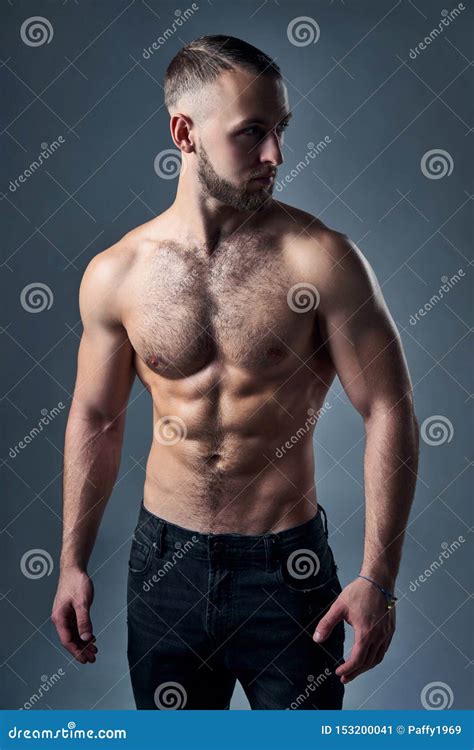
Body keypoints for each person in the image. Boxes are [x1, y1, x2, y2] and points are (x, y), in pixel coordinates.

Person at [51, 35, 419, 710]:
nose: (276, 154)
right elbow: (96, 417)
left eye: (280, 131)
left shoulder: (322, 261)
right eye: (253, 133)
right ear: (183, 132)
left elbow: (389, 407)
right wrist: (72, 561)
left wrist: (379, 576)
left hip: (287, 571)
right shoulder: (118, 273)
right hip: (165, 568)